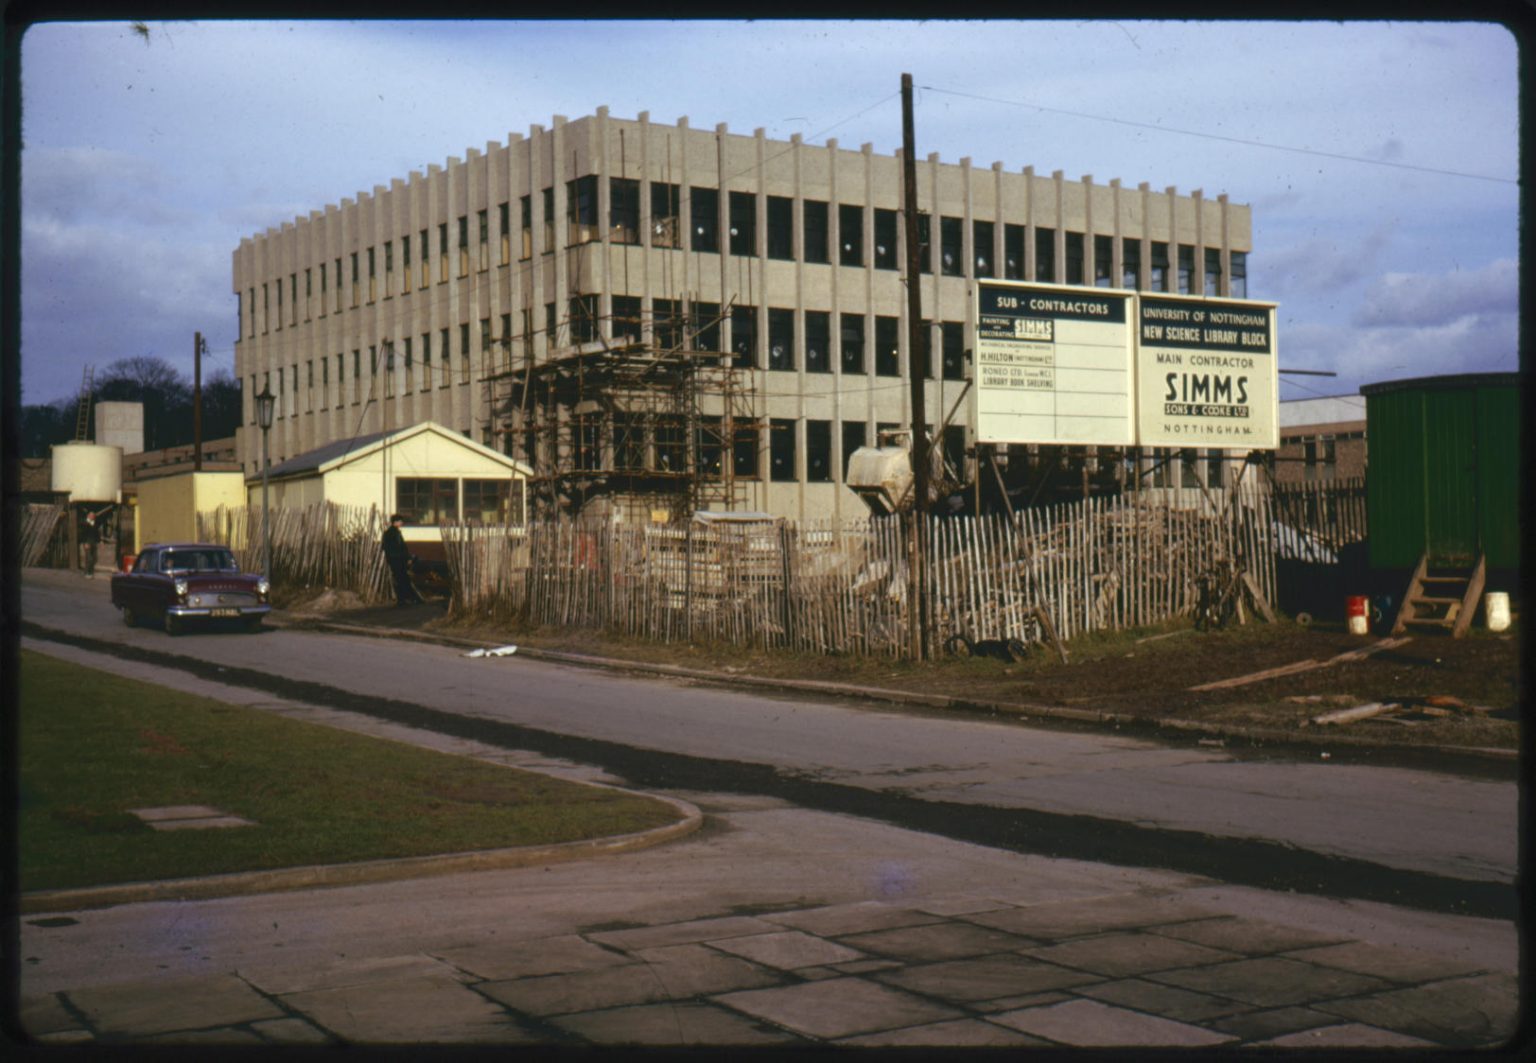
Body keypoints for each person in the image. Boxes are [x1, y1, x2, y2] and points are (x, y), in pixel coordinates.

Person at [381, 513, 422, 605]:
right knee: (401, 579)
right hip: (396, 560)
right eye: (400, 521)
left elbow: (402, 547)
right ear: (395, 522)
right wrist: (402, 557)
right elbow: (392, 547)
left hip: (398, 559)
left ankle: (404, 599)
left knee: (402, 579)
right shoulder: (390, 533)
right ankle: (403, 599)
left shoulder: (395, 532)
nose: (402, 523)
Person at [79, 507, 104, 578]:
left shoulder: (94, 524)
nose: (93, 517)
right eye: (92, 516)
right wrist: (85, 542)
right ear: (88, 516)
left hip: (94, 542)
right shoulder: (84, 523)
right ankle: (87, 572)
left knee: (94, 558)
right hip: (87, 542)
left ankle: (91, 572)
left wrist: (100, 541)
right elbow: (82, 534)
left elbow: (97, 533)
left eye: (94, 516)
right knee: (89, 558)